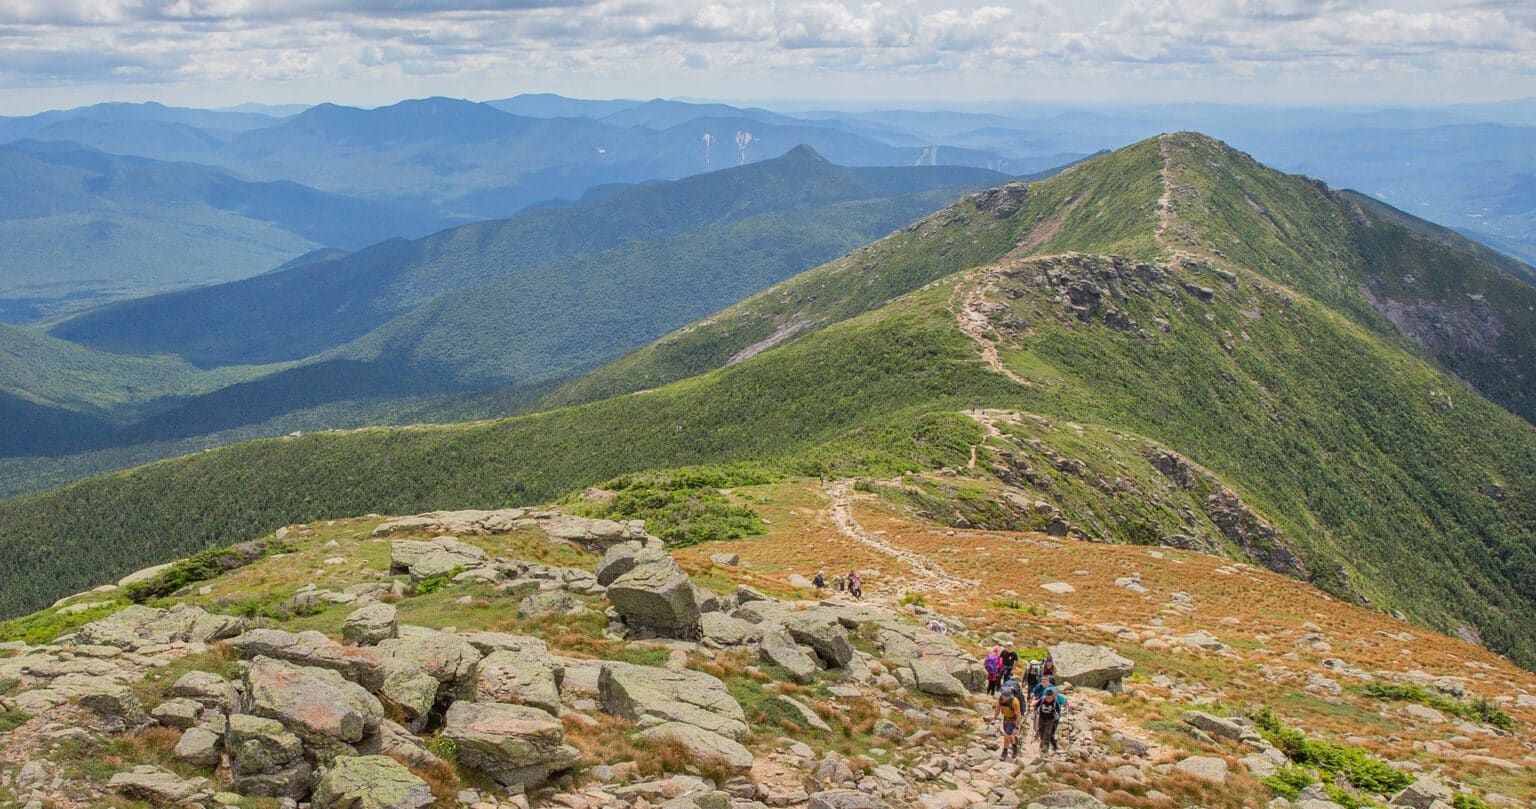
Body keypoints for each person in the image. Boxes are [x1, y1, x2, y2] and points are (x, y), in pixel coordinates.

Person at [1035, 682, 1066, 757]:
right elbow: (1036, 705)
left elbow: (1058, 710)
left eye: (1050, 698)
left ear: (1053, 697)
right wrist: (1036, 711)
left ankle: (1046, 746)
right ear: (1045, 696)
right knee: (1040, 731)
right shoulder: (1042, 700)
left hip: (1050, 719)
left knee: (1048, 732)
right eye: (1047, 698)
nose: (1048, 699)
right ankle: (1042, 740)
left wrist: (1057, 716)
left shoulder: (1055, 702)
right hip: (1042, 718)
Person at [991, 689, 1024, 760]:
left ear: (1010, 696)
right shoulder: (1000, 699)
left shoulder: (1015, 702)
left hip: (1013, 719)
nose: (1005, 698)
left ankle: (1004, 752)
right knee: (1010, 736)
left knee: (1006, 735)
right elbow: (997, 709)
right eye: (1003, 696)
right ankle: (1015, 748)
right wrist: (994, 718)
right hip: (1006, 718)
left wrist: (1017, 727)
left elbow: (1018, 715)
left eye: (1007, 696)